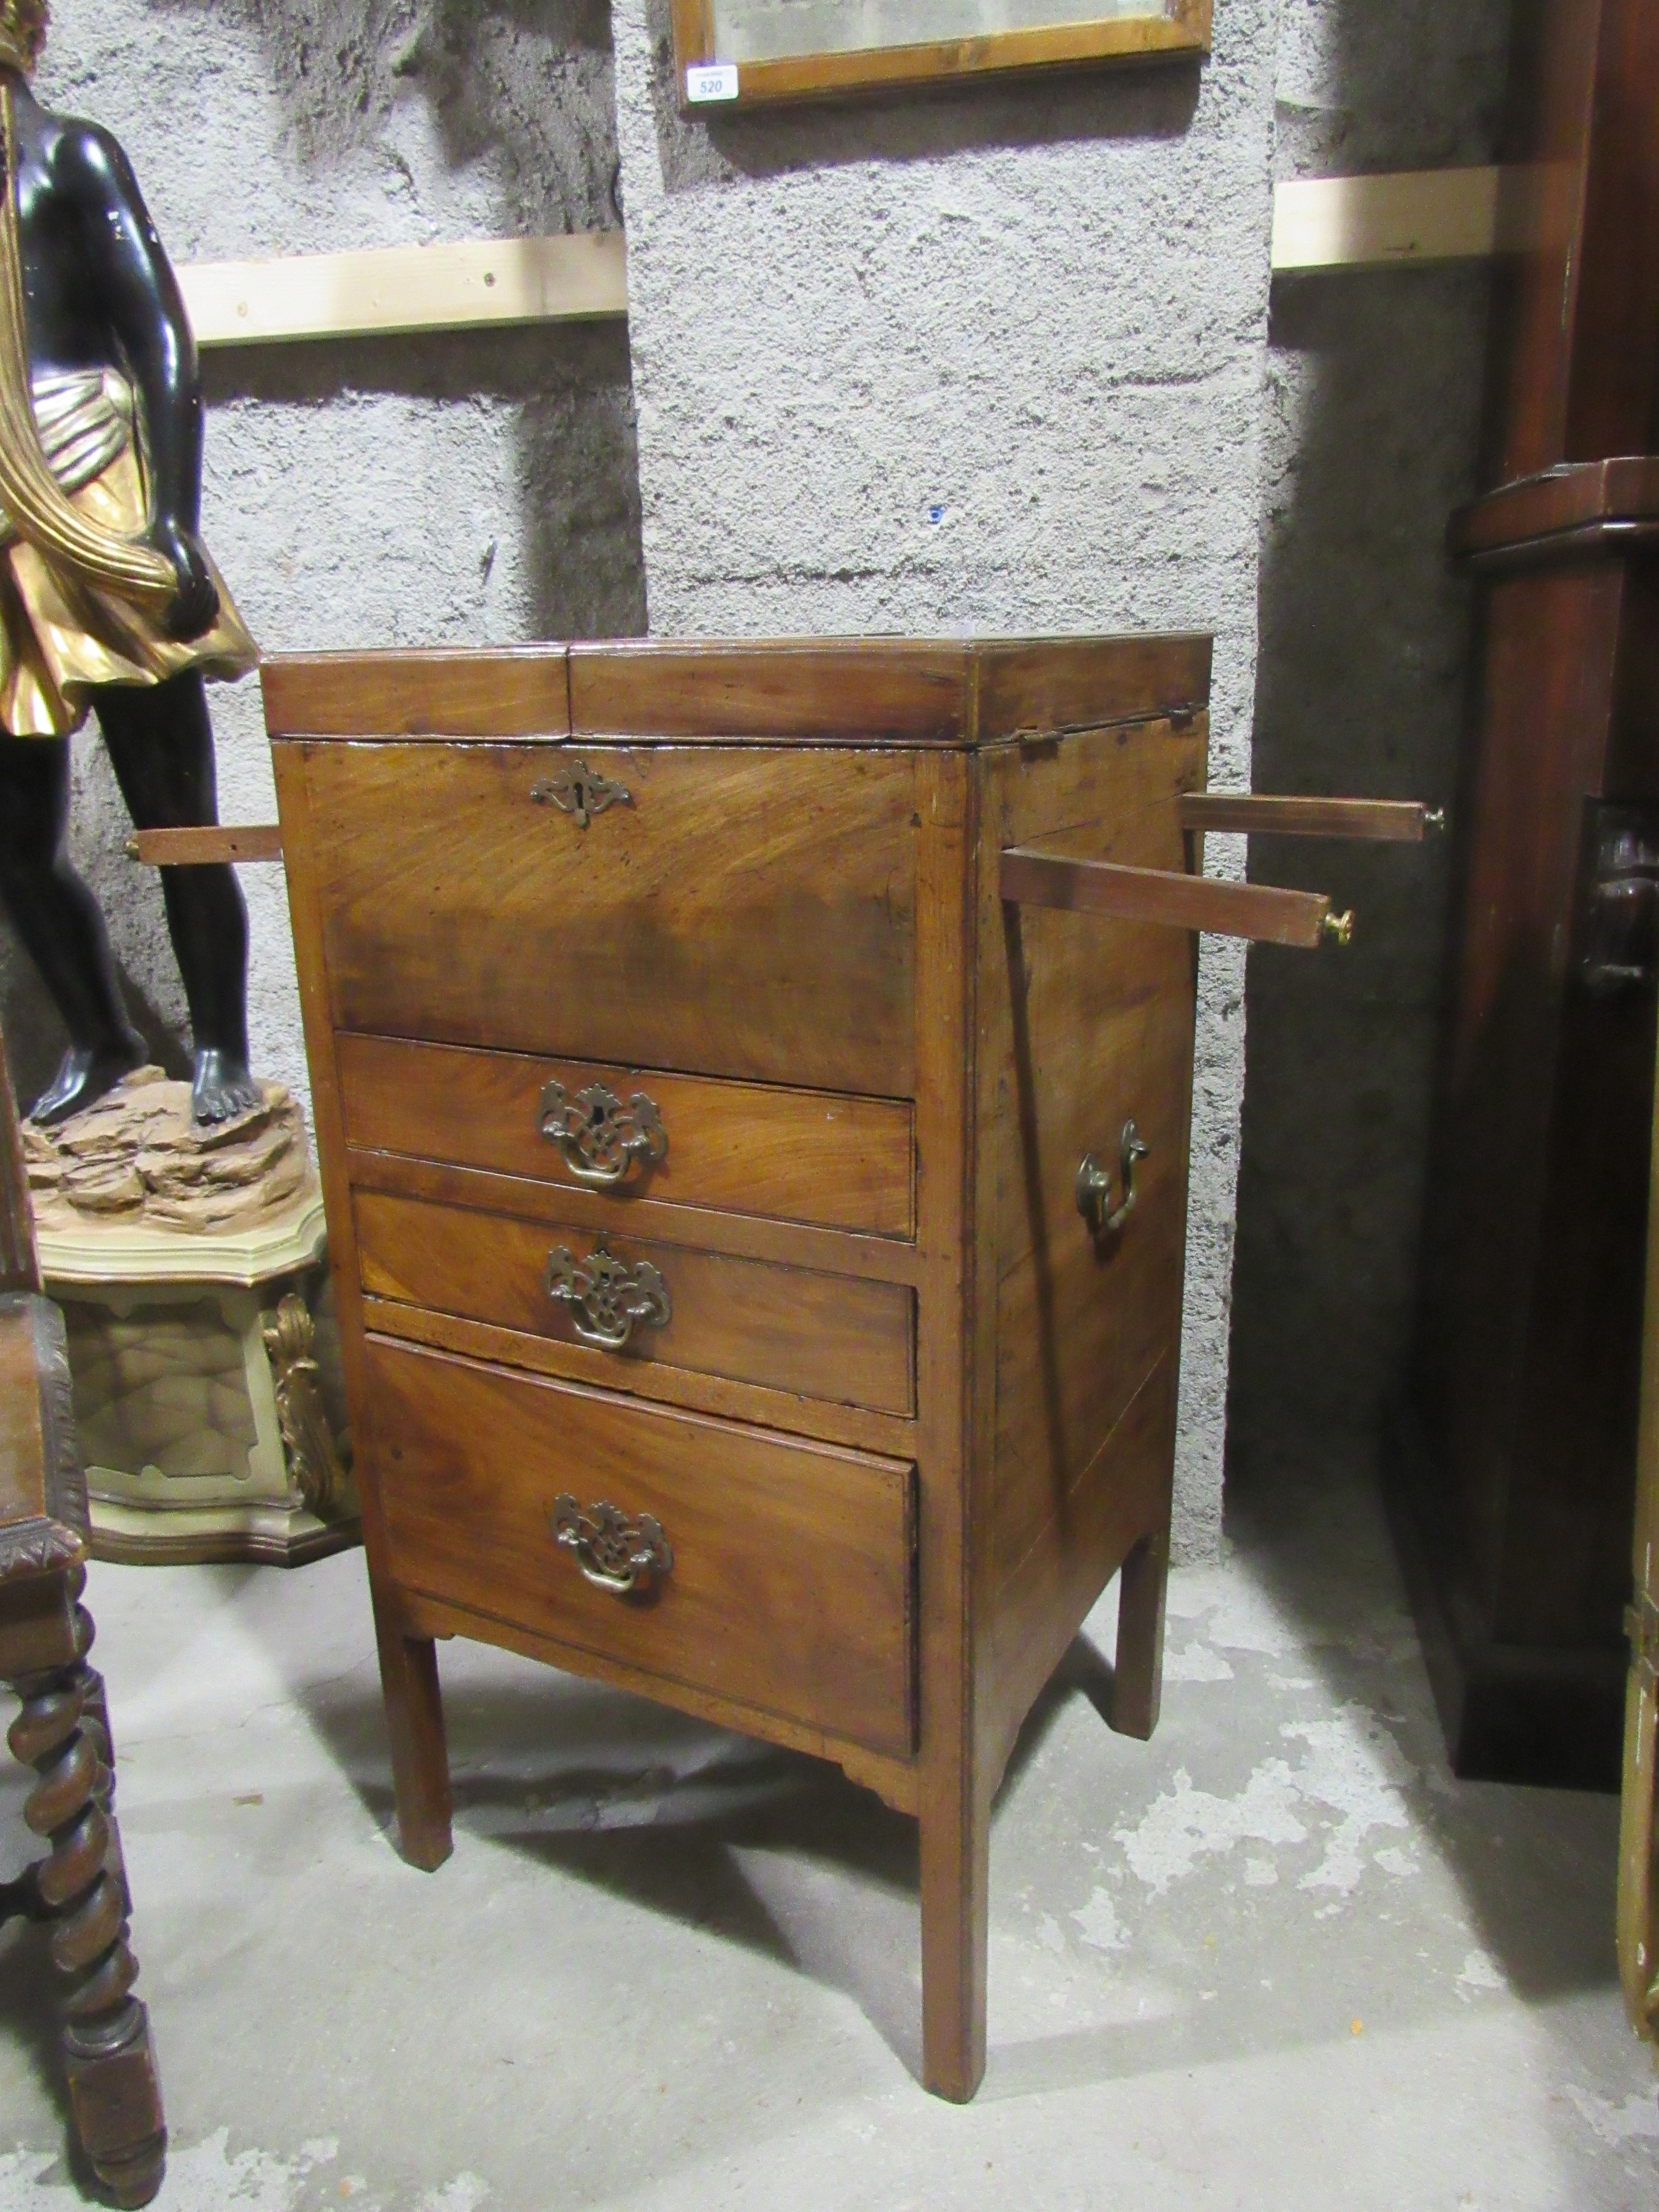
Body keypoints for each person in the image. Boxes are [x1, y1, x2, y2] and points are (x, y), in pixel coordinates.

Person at [0, 0, 260, 1127]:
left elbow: (159, 331)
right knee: (12, 844)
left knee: (177, 813)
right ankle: (104, 1038)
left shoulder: (70, 160)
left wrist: (174, 520)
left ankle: (221, 1046)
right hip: (4, 537)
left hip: (94, 495)